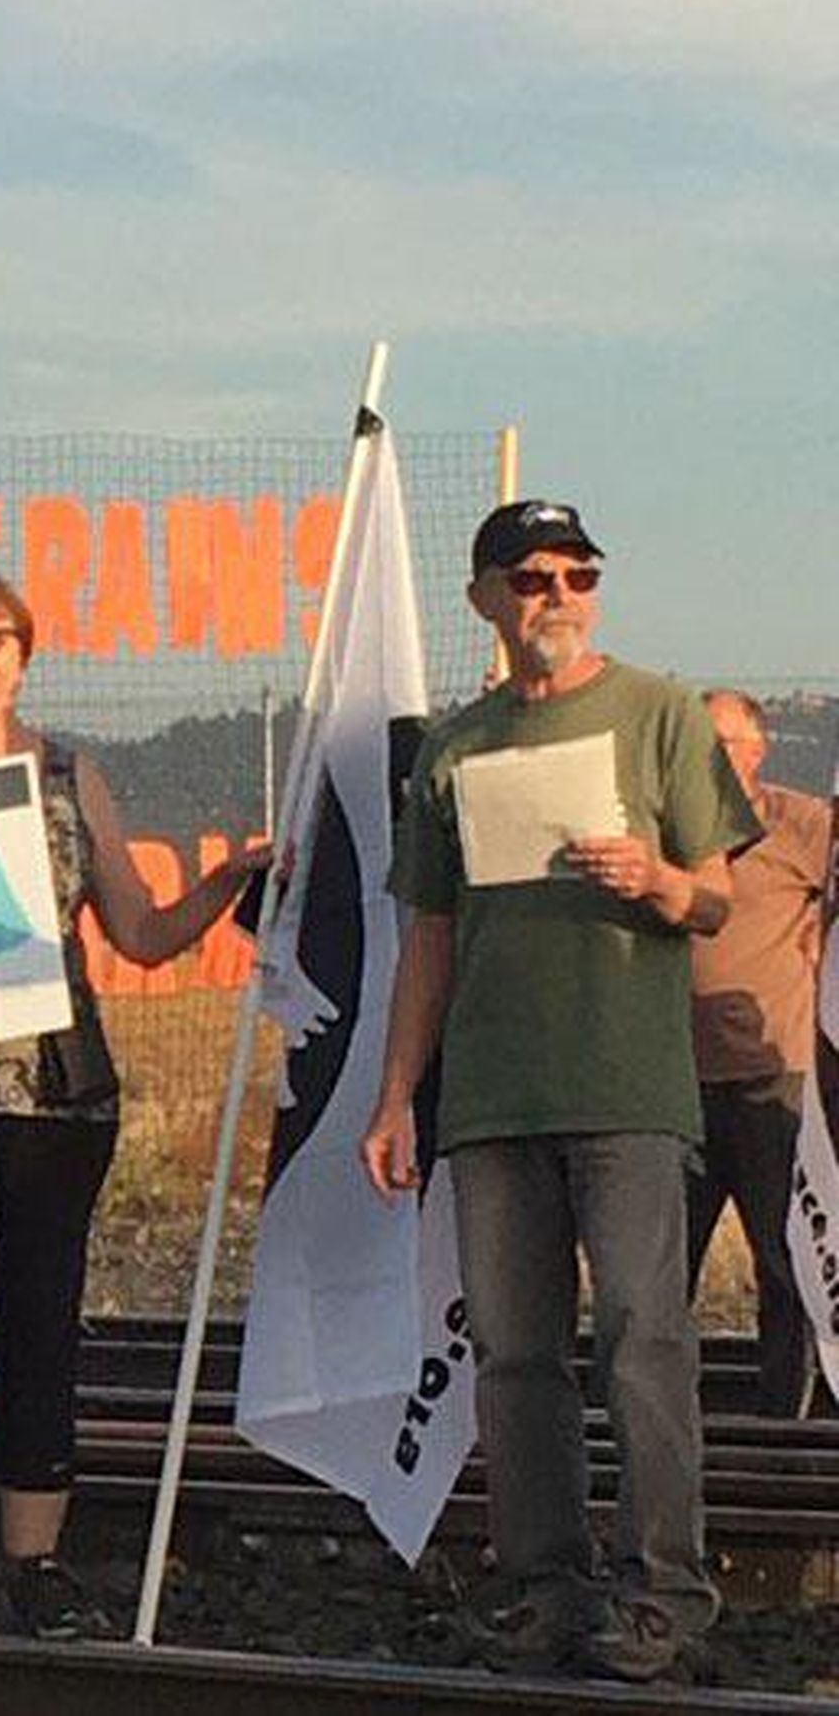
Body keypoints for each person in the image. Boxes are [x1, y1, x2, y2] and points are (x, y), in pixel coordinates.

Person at [359, 501, 756, 1683]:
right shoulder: (455, 748)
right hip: (491, 1099)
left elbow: (718, 897)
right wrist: (394, 1095)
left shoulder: (657, 714)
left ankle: (661, 1590)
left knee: (645, 1342)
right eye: (532, 577)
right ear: (484, 597)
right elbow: (427, 932)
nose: (558, 595)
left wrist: (657, 879)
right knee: (515, 1354)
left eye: (578, 572)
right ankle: (539, 1582)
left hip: (627, 1089)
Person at [0, 568, 268, 1636]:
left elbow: (135, 930)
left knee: (40, 1322)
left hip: (56, 1095)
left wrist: (228, 885)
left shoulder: (75, 776)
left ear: (24, 653)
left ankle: (29, 1557)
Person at [688, 687, 829, 1417]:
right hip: (673, 1084)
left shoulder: (798, 823)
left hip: (773, 1079)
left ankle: (788, 1423)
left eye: (723, 741)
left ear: (757, 747)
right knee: (655, 1274)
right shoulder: (665, 827)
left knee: (785, 1264)